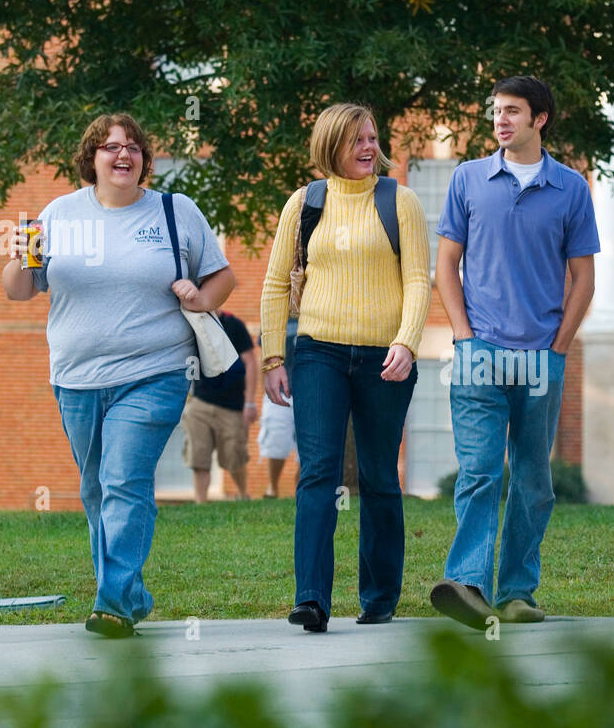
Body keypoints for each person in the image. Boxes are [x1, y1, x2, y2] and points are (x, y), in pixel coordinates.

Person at [1, 113, 235, 638]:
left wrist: (202, 298)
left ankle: (110, 603)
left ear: (144, 159)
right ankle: (130, 592)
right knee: (94, 489)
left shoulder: (175, 211)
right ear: (92, 159)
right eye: (110, 147)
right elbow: (19, 290)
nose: (122, 154)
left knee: (123, 480)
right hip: (76, 378)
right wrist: (17, 259)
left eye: (132, 146)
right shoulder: (58, 215)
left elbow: (222, 275)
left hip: (156, 372)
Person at [430, 75, 599, 629]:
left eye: (512, 112)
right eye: (496, 111)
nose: (500, 120)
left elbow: (584, 278)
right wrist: (462, 334)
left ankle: (517, 592)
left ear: (539, 119)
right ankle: (469, 585)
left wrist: (559, 346)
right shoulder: (468, 179)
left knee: (532, 480)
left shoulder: (571, 188)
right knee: (479, 472)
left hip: (541, 357)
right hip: (479, 352)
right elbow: (446, 265)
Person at [259, 103, 431, 631]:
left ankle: (378, 598)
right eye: (355, 139)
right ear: (330, 145)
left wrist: (406, 342)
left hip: (385, 356)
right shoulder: (304, 202)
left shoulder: (399, 200)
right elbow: (272, 282)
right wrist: (272, 356)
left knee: (379, 475)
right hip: (318, 352)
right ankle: (311, 598)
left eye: (372, 138)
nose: (367, 147)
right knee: (318, 472)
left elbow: (418, 280)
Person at [181, 310, 257, 501]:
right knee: (199, 457)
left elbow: (250, 363)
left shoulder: (234, 325)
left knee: (234, 457)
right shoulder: (193, 325)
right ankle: (201, 504)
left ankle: (242, 495)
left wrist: (249, 402)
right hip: (200, 402)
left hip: (232, 406)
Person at [258, 319, 300, 497]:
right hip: (281, 392)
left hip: (310, 391)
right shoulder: (277, 318)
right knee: (276, 442)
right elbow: (265, 358)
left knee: (308, 448)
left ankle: (301, 489)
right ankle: (273, 487)